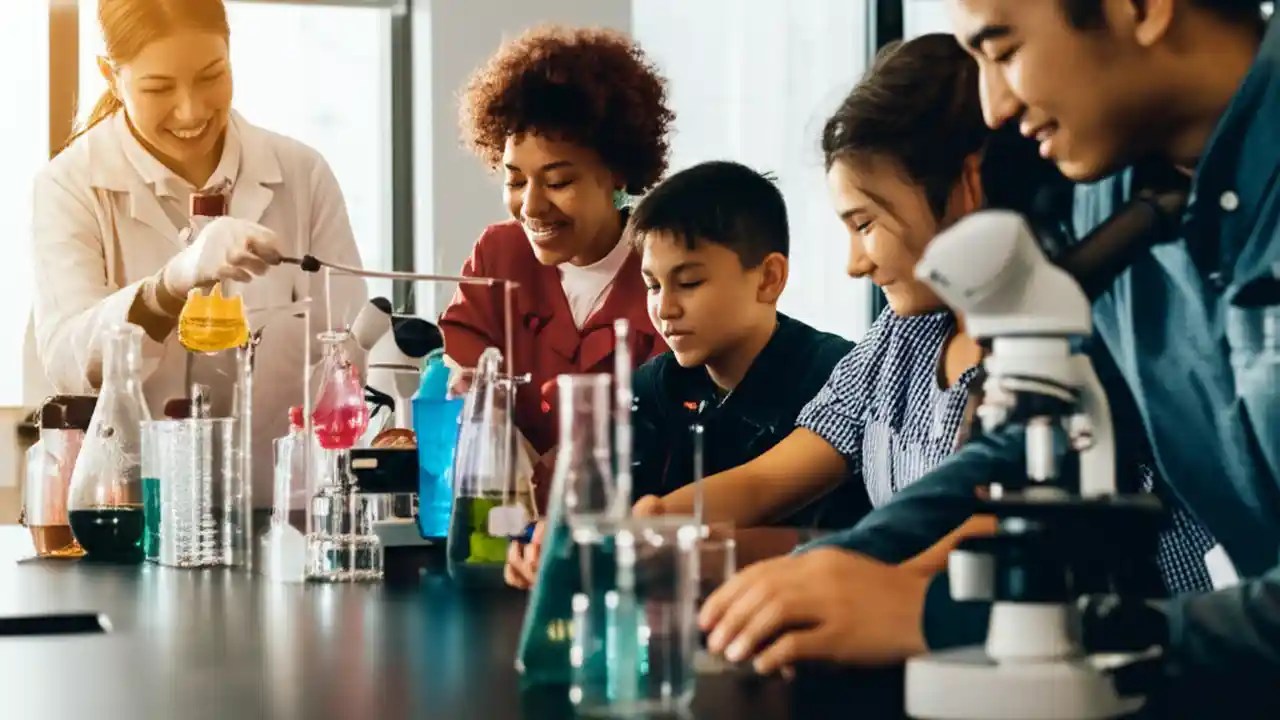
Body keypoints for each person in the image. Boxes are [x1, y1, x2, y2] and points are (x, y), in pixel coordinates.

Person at [697, 0, 1279, 702]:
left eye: (1001, 52)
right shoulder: (1110, 192)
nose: (992, 107)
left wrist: (939, 618)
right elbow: (1045, 427)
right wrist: (846, 559)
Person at [31, 0, 366, 498]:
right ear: (110, 75)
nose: (190, 110)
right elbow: (70, 361)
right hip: (129, 510)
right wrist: (170, 285)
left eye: (212, 76)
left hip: (275, 512)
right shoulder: (72, 185)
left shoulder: (301, 174)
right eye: (158, 88)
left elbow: (351, 346)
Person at [504, 161, 861, 589]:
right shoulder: (650, 390)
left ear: (769, 278)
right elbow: (603, 522)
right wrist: (551, 544)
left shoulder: (838, 380)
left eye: (689, 283)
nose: (665, 309)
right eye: (653, 286)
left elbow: (856, 542)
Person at [440, 26, 675, 489]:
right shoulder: (498, 256)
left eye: (558, 181)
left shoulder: (666, 272)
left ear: (617, 175)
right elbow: (464, 390)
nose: (530, 206)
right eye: (514, 180)